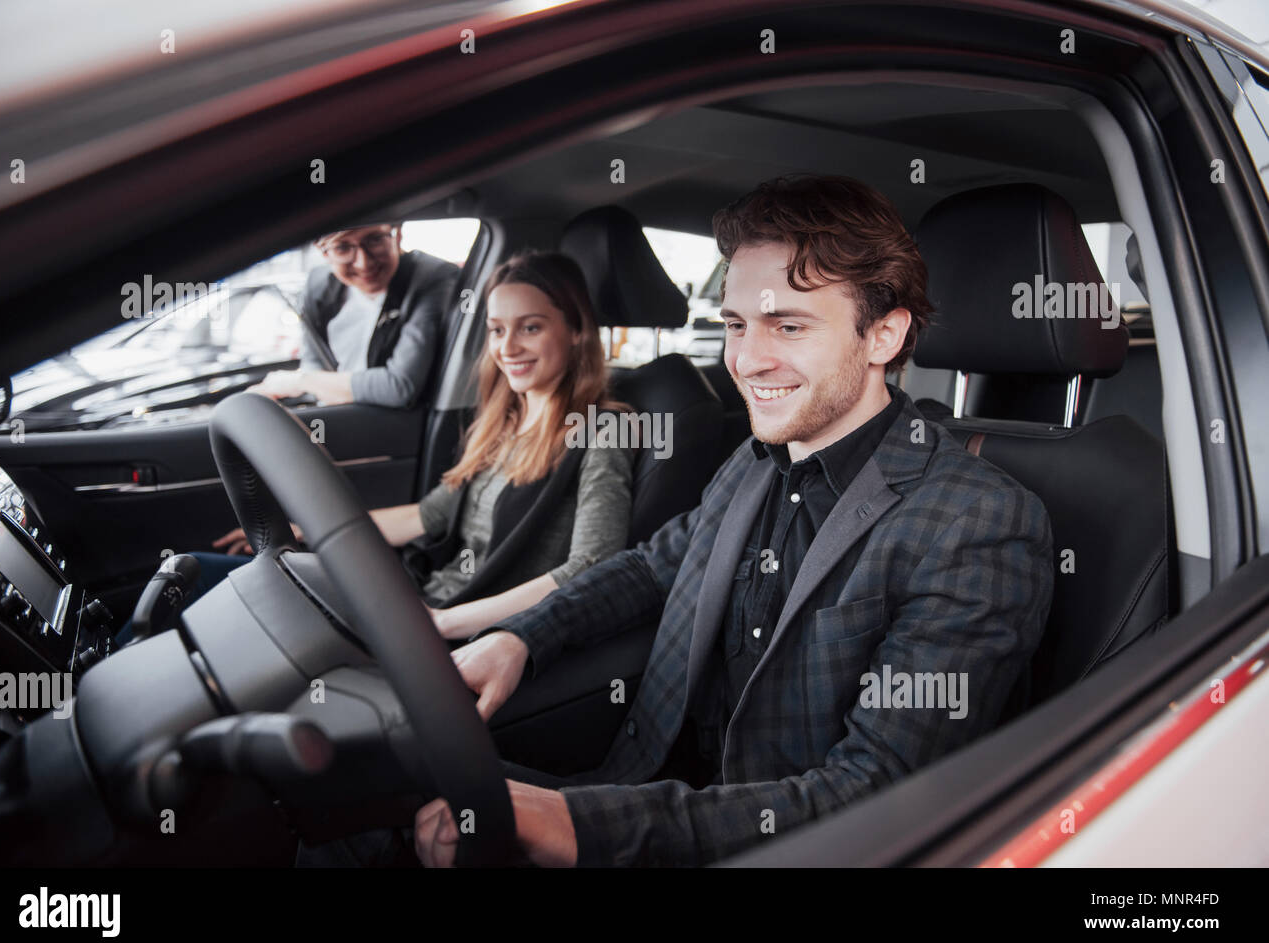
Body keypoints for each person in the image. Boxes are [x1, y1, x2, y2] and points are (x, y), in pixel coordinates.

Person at [411, 175, 1056, 867]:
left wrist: (580, 824)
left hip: (777, 847)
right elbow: (652, 567)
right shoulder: (756, 460)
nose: (746, 360)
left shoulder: (978, 521)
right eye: (736, 324)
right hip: (643, 788)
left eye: (788, 325)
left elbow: (875, 792)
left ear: (884, 335)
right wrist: (519, 639)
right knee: (384, 804)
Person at [126, 251, 635, 646]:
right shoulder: (504, 420)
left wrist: (441, 623)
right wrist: (309, 532)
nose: (507, 348)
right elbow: (428, 517)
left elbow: (591, 566)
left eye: (531, 327)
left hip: (453, 624)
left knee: (217, 599)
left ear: (574, 330)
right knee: (195, 574)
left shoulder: (603, 430)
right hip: (415, 598)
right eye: (498, 330)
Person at [248, 222, 459, 408]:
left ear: (398, 233)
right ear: (324, 253)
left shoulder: (430, 278)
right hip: (344, 415)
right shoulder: (318, 285)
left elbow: (401, 386)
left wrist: (299, 381)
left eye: (375, 239)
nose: (363, 262)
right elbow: (314, 362)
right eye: (342, 247)